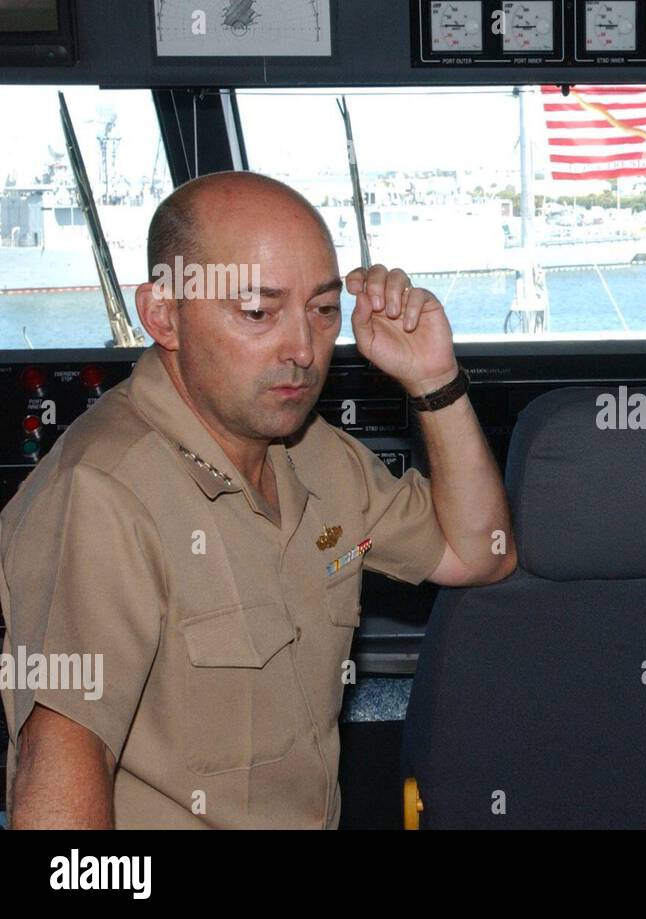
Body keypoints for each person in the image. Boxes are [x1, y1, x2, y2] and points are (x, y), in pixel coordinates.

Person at [0, 171, 516, 828]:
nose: (302, 351)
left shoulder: (313, 454)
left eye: (323, 310)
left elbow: (478, 553)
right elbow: (60, 777)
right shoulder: (102, 493)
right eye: (257, 312)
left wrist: (435, 380)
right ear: (164, 314)